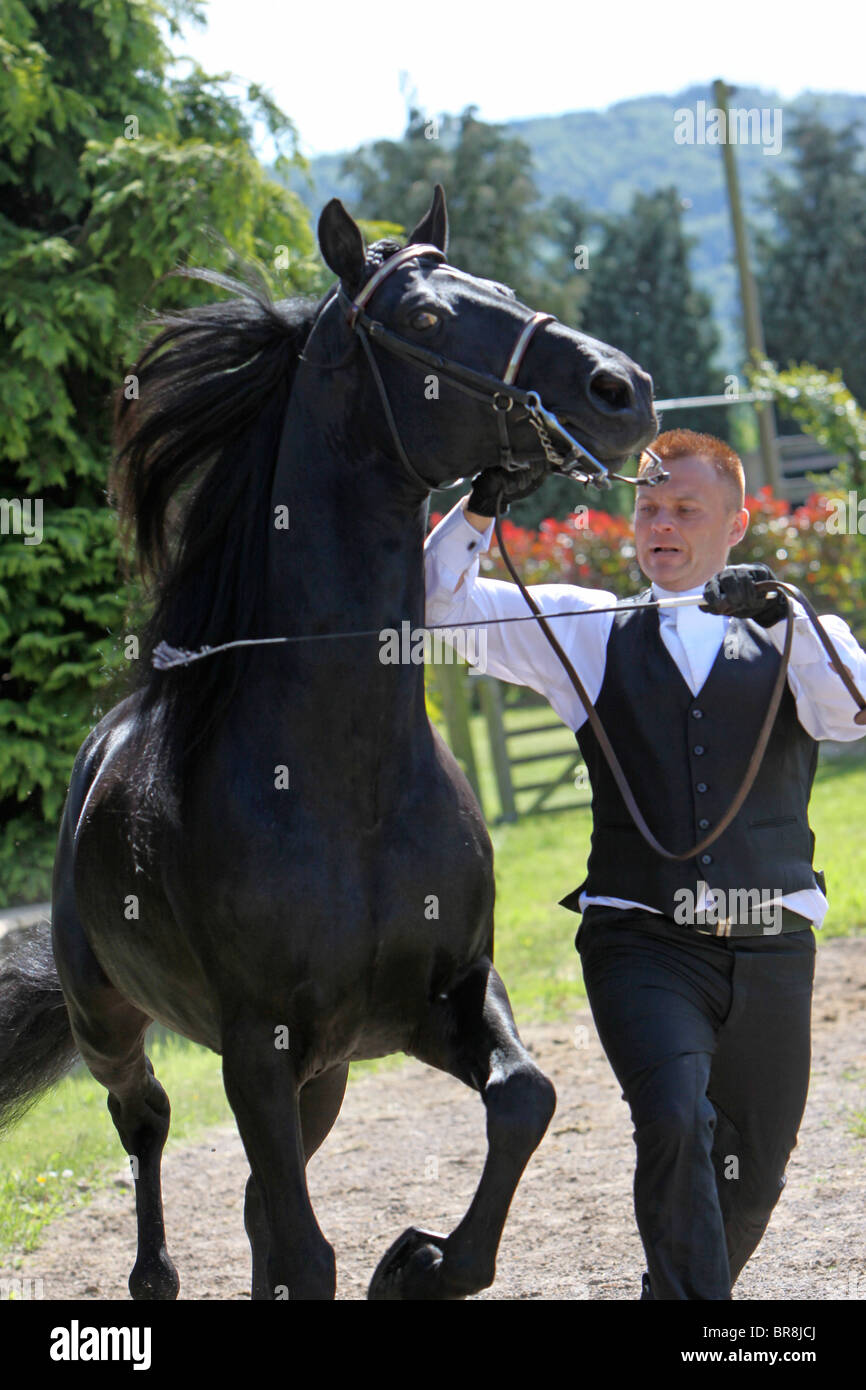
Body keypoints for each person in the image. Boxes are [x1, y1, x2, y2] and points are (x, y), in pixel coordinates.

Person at [423, 428, 866, 1300]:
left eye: (685, 509)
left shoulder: (796, 633)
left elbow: (855, 710)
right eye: (650, 506)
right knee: (671, 1120)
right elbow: (439, 606)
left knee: (756, 1170)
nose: (660, 523)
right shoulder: (588, 630)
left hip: (773, 945)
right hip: (642, 941)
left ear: (736, 524)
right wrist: (480, 503)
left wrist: (791, 614)